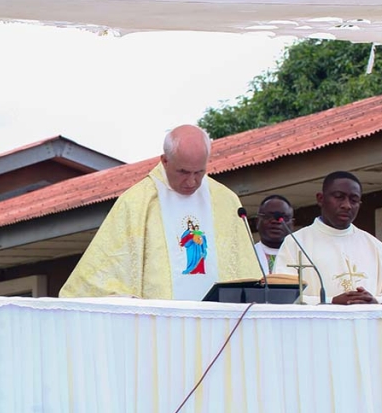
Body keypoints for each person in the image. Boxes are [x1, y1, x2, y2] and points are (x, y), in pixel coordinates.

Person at [60, 124, 260, 300]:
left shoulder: (226, 201)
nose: (191, 181)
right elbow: (101, 275)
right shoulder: (138, 202)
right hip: (158, 326)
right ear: (165, 161)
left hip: (220, 325)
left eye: (199, 172)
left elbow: (248, 273)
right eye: (183, 172)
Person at [273, 171, 382, 305]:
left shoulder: (377, 248)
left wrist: (374, 301)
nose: (347, 205)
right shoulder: (296, 243)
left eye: (354, 200)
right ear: (320, 199)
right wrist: (330, 301)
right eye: (339, 197)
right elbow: (282, 296)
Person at [254, 194, 295, 273]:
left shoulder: (304, 256)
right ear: (257, 221)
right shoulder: (245, 256)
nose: (275, 221)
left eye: (283, 217)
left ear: (292, 224)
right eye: (268, 216)